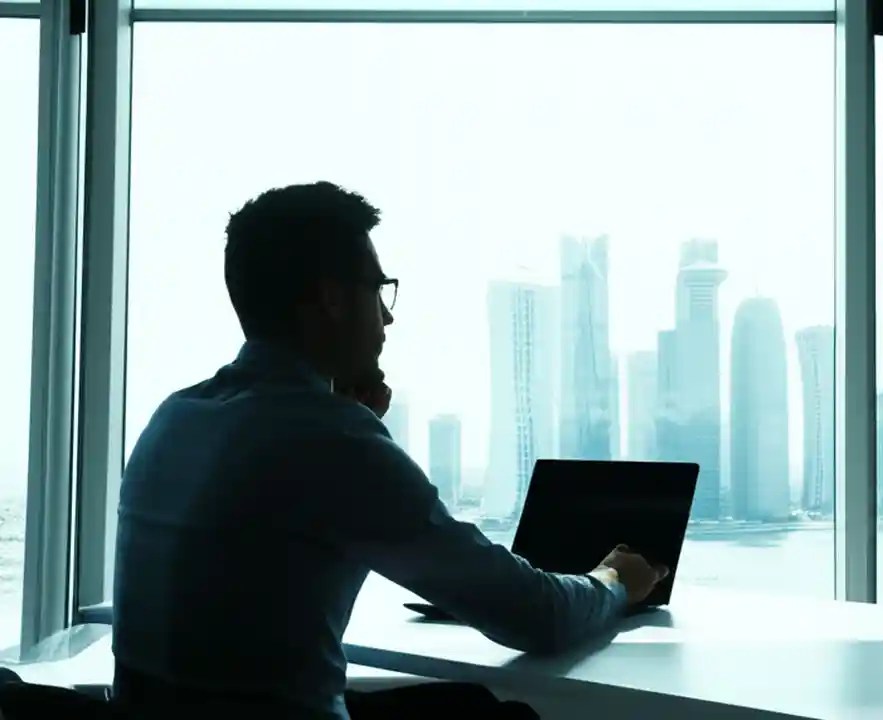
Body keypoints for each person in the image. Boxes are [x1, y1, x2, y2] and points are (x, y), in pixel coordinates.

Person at [111, 181, 668, 720]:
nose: (389, 317)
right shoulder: (333, 443)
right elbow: (536, 616)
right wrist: (614, 580)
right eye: (379, 290)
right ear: (331, 299)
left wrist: (352, 423)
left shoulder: (175, 417)